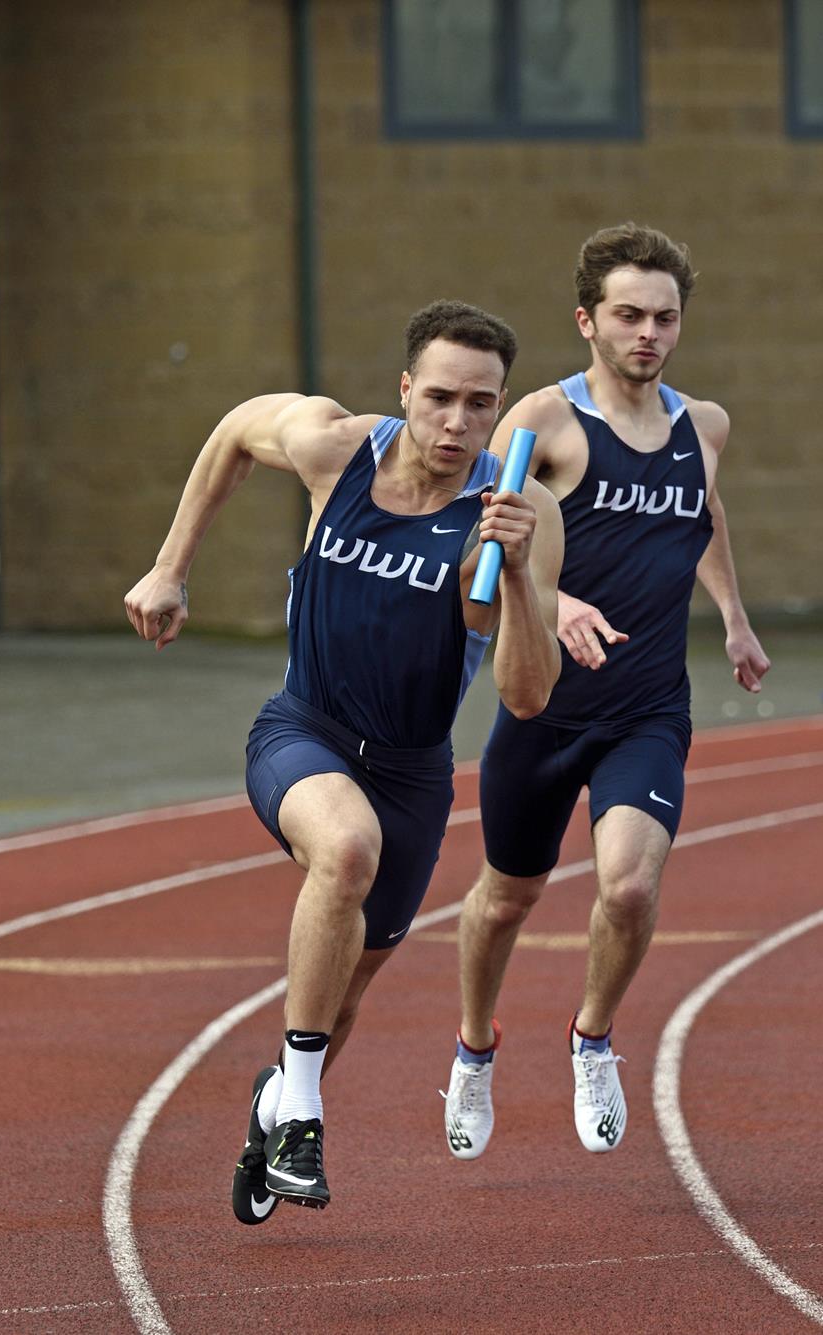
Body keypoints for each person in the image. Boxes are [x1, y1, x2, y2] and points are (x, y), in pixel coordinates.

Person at [122, 301, 562, 1222]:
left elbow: (525, 695)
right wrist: (170, 567)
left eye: (479, 405)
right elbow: (236, 432)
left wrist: (516, 574)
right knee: (346, 850)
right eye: (438, 397)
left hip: (414, 771)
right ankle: (307, 1116)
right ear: (405, 390)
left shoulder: (520, 512)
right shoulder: (336, 449)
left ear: (501, 408)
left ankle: (277, 1105)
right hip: (304, 733)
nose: (455, 422)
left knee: (347, 981)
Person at [443, 223, 769, 1160]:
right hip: (543, 703)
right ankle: (473, 1047)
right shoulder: (539, 423)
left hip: (647, 707)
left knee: (628, 887)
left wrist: (734, 617)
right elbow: (481, 546)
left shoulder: (702, 425)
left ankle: (592, 1038)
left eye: (665, 317)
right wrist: (560, 598)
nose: (649, 334)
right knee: (505, 900)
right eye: (628, 315)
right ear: (587, 320)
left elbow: (702, 517)